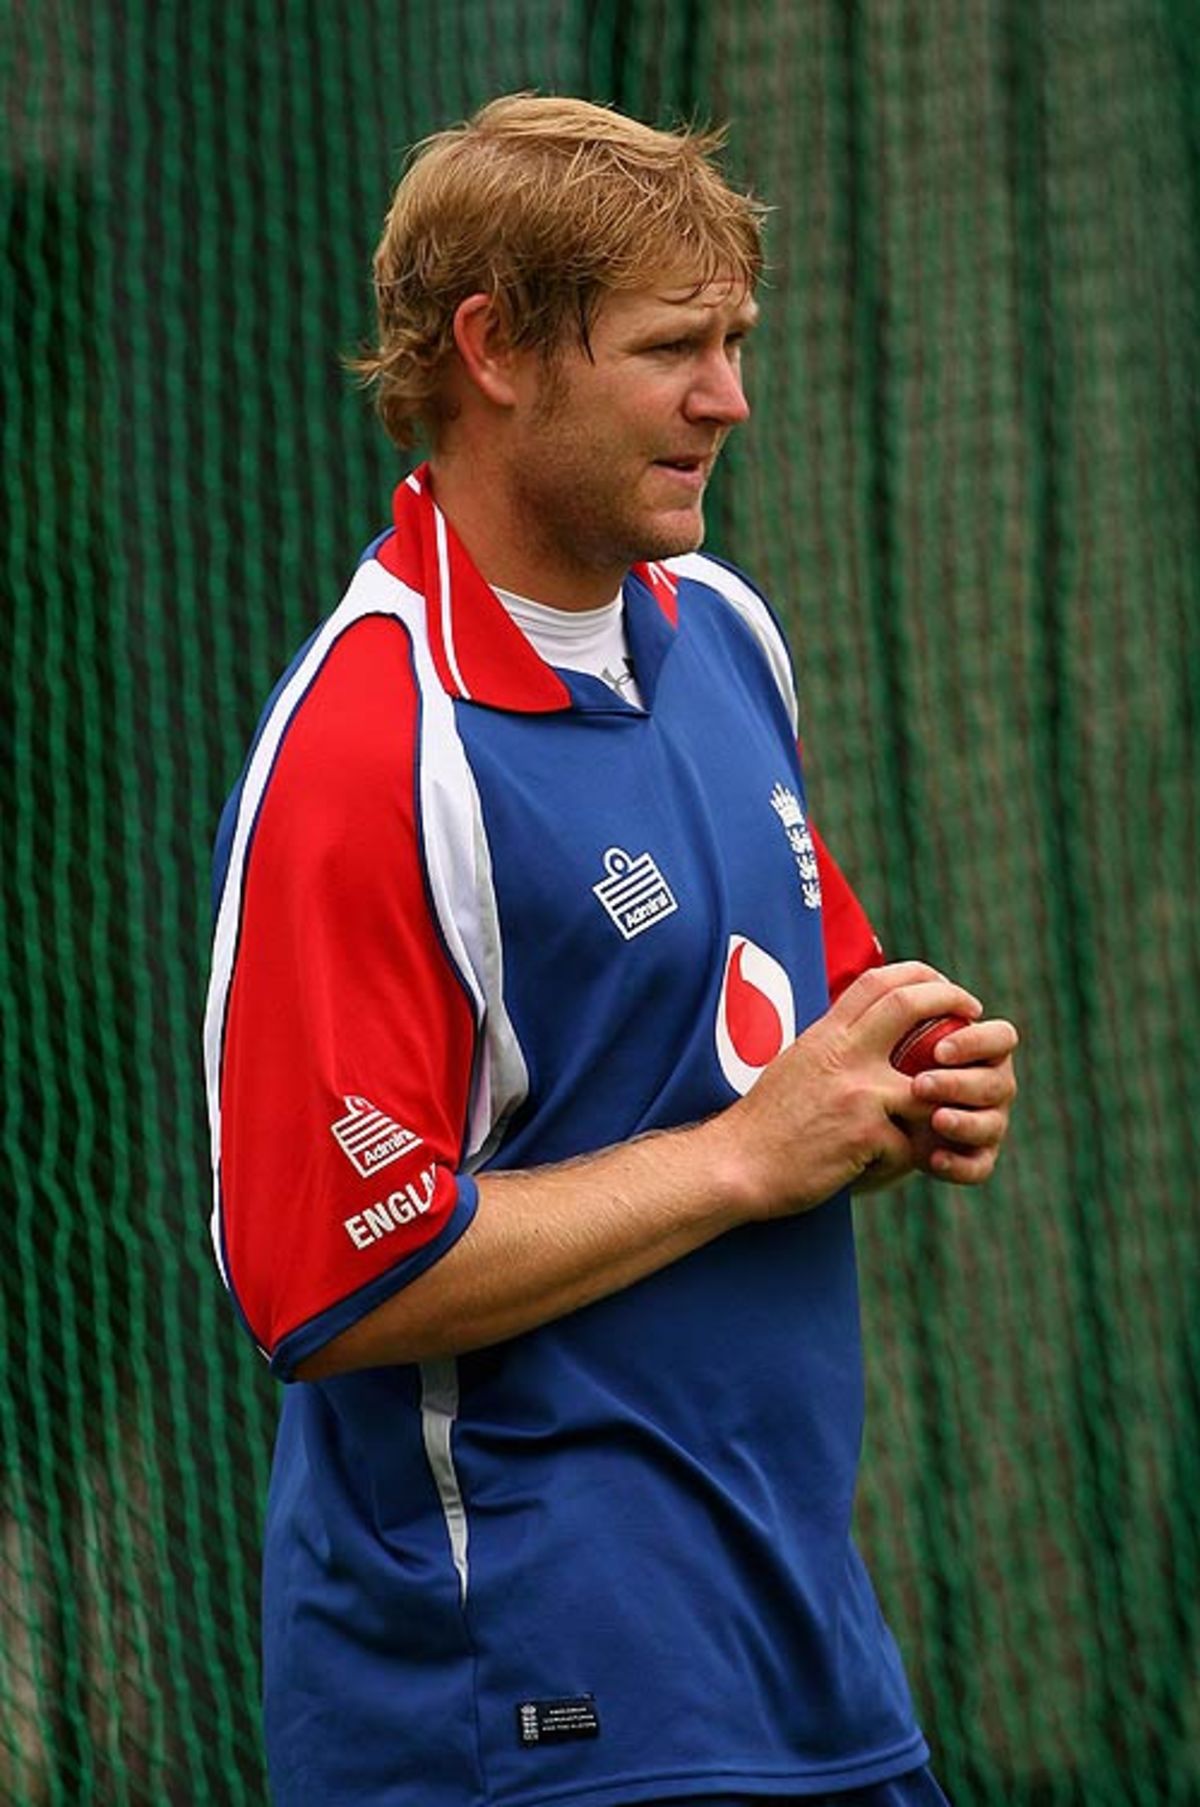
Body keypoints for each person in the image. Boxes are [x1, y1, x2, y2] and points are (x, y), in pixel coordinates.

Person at [203, 94, 1017, 1807]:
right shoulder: (375, 743)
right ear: (495, 350)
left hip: (801, 1659)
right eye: (673, 350)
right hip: (529, 1704)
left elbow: (789, 1056)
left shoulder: (722, 630)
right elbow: (327, 1273)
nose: (728, 398)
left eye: (733, 342)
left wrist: (906, 1083)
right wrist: (741, 1158)